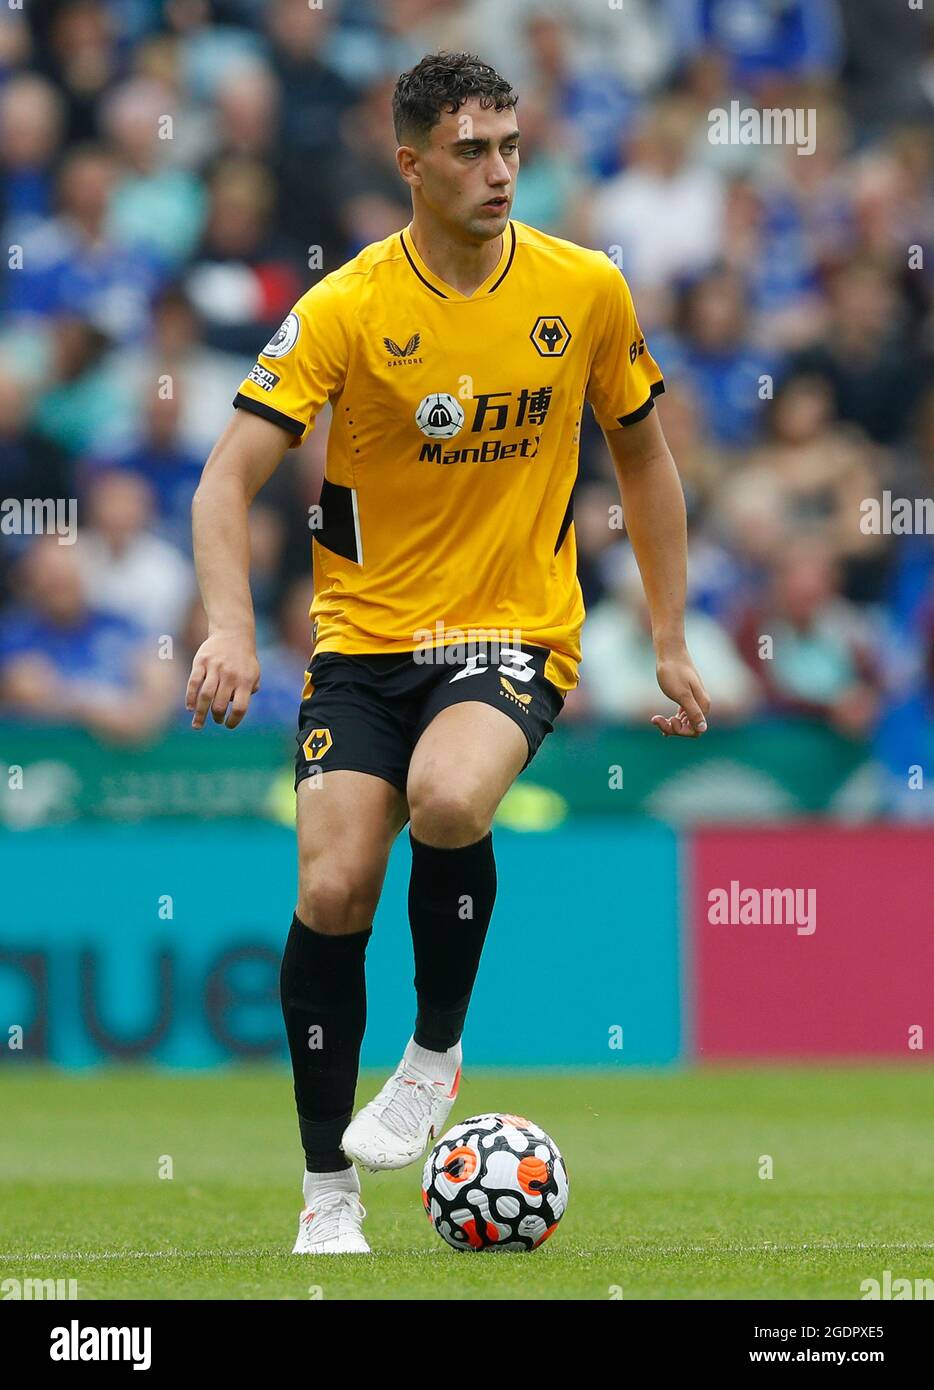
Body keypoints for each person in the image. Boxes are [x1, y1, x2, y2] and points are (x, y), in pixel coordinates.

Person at [185, 52, 710, 1255]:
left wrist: (671, 636)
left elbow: (645, 458)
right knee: (328, 892)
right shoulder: (348, 306)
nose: (499, 170)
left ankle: (431, 1055)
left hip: (511, 627)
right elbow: (226, 479)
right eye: (470, 150)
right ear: (410, 161)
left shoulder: (583, 290)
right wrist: (227, 622)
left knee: (448, 795)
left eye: (510, 144)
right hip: (364, 644)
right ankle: (327, 1195)